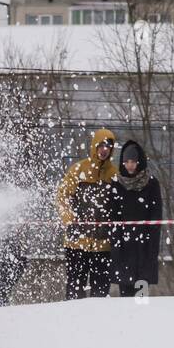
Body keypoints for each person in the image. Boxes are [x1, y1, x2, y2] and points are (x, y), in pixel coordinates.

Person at [57, 127, 118, 300]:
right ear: (95, 146)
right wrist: (69, 219)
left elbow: (119, 206)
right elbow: (62, 197)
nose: (104, 150)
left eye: (108, 146)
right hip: (77, 243)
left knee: (100, 293)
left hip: (103, 245)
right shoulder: (78, 170)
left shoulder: (114, 175)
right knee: (75, 292)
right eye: (101, 145)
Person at [108, 140, 163, 298]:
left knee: (141, 300)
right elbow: (113, 217)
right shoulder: (116, 184)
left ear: (140, 162)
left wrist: (150, 246)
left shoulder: (151, 184)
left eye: (133, 161)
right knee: (125, 299)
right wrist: (116, 244)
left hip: (143, 250)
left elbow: (156, 218)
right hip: (124, 251)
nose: (130, 165)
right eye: (126, 161)